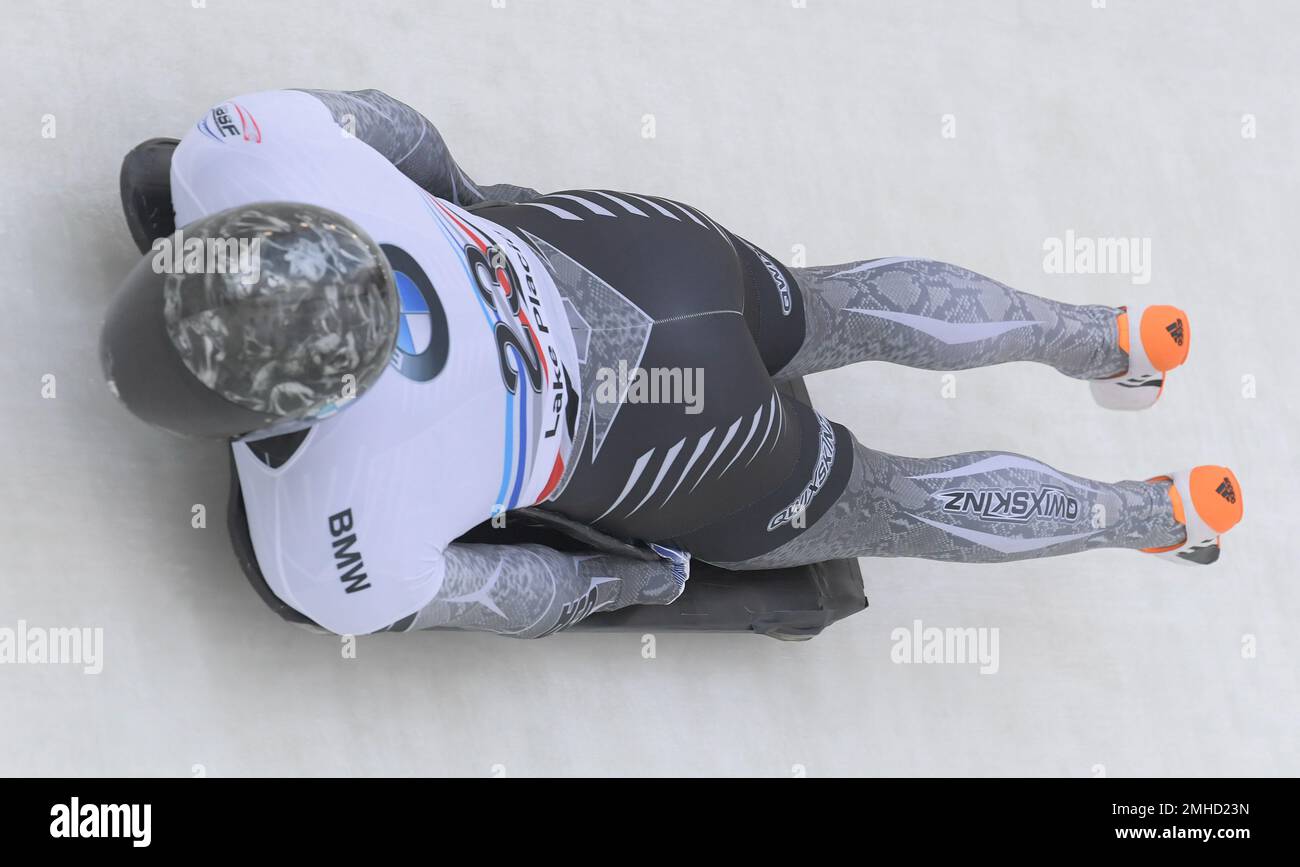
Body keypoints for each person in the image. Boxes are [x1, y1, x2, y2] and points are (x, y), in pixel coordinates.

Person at [102, 89, 1244, 638]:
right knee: (832, 301)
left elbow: (519, 593)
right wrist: (477, 203)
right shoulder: (236, 152)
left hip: (673, 438)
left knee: (884, 503)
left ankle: (1145, 512)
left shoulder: (328, 537)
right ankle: (1106, 338)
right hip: (640, 257)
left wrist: (624, 584)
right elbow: (398, 134)